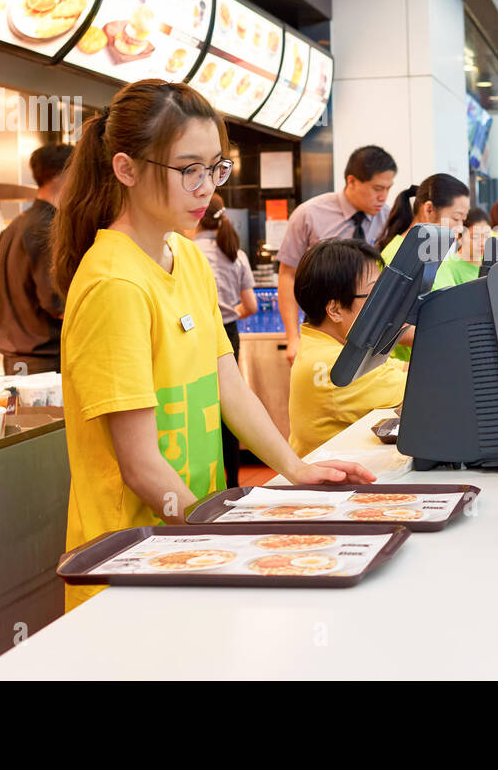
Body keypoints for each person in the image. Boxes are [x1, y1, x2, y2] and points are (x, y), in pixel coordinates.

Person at [52, 80, 374, 612]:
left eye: (216, 168)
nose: (205, 188)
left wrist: (294, 469)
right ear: (126, 169)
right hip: (130, 562)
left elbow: (228, 384)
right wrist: (220, 534)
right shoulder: (115, 284)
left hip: (190, 541)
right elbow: (139, 464)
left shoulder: (187, 257)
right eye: (189, 170)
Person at [276, 145, 396, 365]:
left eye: (388, 188)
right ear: (352, 181)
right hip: (322, 328)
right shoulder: (309, 214)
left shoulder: (389, 219)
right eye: (377, 188)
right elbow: (287, 275)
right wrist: (292, 338)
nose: (383, 197)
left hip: (369, 330)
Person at [288, 238, 407, 456]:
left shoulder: (335, 346)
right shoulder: (334, 365)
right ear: (335, 310)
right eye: (375, 295)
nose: (384, 305)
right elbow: (420, 387)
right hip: (332, 477)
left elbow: (401, 369)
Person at [192, 193, 258, 490]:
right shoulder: (235, 253)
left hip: (192, 335)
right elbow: (251, 305)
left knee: (198, 405)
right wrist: (229, 314)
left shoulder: (186, 253)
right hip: (228, 332)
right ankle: (232, 482)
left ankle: (203, 481)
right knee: (228, 407)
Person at [0, 143, 73, 375]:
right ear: (64, 176)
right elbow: (56, 303)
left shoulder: (16, 225)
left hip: (17, 358)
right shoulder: (49, 228)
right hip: (45, 362)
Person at [376, 173, 471, 360]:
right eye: (456, 218)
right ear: (428, 209)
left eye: (463, 220)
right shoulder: (398, 255)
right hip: (411, 368)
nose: (460, 227)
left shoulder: (434, 253)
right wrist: (455, 337)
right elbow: (393, 328)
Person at [452, 207, 493, 283]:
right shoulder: (448, 268)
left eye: (487, 236)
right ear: (459, 237)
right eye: (475, 237)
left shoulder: (491, 264)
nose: (483, 243)